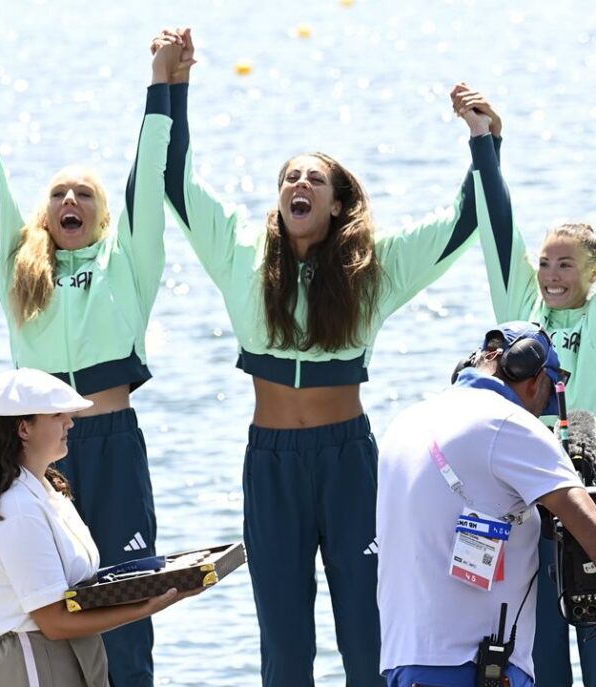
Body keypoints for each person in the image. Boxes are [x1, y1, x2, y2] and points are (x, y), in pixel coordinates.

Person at [155, 27, 493, 686]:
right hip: (271, 465)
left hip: (349, 464)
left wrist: (482, 137)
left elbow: (465, 220)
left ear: (336, 203)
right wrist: (176, 85)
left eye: (313, 177)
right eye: (288, 178)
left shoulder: (373, 268)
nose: (297, 184)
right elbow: (174, 182)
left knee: (366, 634)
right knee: (285, 644)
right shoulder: (239, 254)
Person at [0, 36, 189, 687]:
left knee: (130, 594)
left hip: (111, 442)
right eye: (59, 194)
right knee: (51, 602)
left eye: (84, 193)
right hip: (36, 452)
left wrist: (159, 87)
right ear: (44, 214)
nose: (70, 201)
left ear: (103, 216)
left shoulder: (127, 262)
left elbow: (149, 178)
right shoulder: (19, 268)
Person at [451, 75, 596, 686]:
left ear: (595, 271)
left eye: (566, 264)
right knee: (538, 659)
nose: (552, 274)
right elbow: (499, 233)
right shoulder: (527, 317)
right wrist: (482, 142)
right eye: (546, 263)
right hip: (528, 489)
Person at [376, 321, 596, 687]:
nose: (540, 414)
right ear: (534, 379)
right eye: (543, 402)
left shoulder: (405, 423)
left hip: (404, 662)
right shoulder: (510, 424)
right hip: (473, 667)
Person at [0, 368, 197, 687]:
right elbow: (54, 621)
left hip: (66, 653)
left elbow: (77, 590)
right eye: (58, 415)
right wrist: (145, 606)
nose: (70, 422)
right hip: (34, 658)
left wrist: (158, 578)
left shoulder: (47, 491)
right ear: (23, 428)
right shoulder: (18, 509)